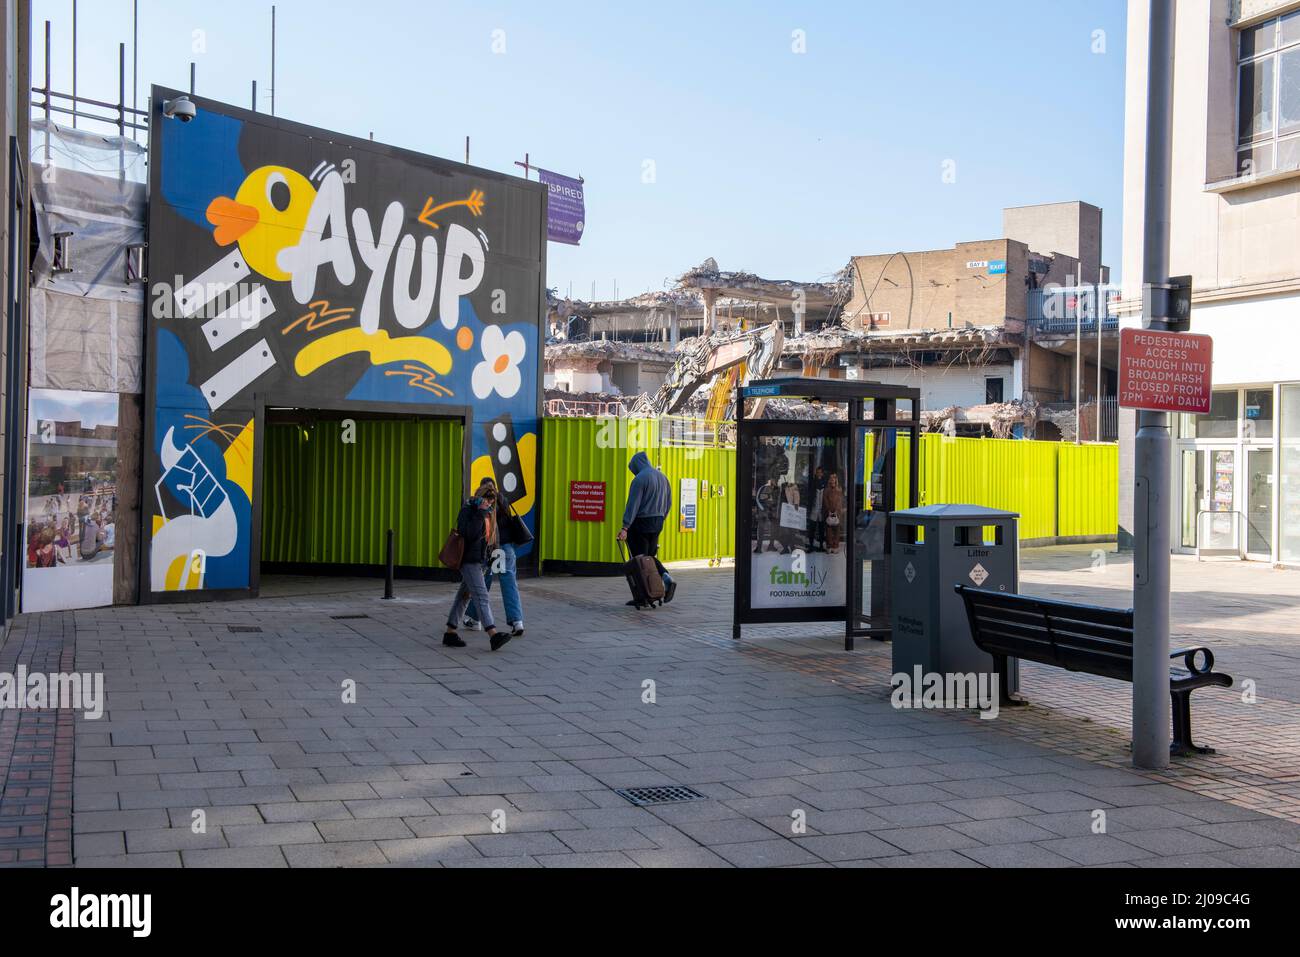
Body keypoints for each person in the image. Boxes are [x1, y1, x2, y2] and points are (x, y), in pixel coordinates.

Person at [443, 485, 512, 652]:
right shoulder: (468, 510)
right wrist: (480, 512)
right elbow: (469, 534)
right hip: (468, 560)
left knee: (463, 596)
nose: (489, 504)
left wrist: (490, 557)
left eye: (492, 501)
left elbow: (489, 537)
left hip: (479, 561)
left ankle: (450, 633)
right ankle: (493, 634)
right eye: (487, 500)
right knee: (481, 595)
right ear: (480, 497)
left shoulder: (489, 512)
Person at [463, 477, 525, 638]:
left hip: (489, 548)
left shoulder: (480, 502)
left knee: (482, 583)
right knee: (509, 581)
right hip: (506, 547)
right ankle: (517, 621)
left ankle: (474, 619)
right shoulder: (503, 500)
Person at [618, 451, 675, 605]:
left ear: (637, 465)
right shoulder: (663, 477)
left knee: (640, 561)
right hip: (658, 522)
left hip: (641, 523)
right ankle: (660, 584)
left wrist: (625, 527)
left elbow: (633, 505)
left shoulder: (640, 480)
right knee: (649, 557)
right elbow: (669, 503)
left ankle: (645, 595)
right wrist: (661, 519)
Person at [755, 474, 781, 553]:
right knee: (761, 529)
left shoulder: (775, 488)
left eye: (776, 480)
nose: (776, 481)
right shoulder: (765, 487)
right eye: (774, 480)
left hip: (771, 511)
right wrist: (763, 509)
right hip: (764, 511)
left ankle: (770, 545)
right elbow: (759, 499)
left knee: (773, 528)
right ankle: (759, 548)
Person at [822, 472, 845, 554]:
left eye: (834, 479)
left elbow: (840, 501)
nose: (832, 480)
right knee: (828, 531)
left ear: (836, 480)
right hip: (828, 512)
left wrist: (838, 510)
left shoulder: (839, 489)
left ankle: (835, 546)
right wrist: (829, 510)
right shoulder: (826, 490)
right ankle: (829, 546)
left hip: (837, 512)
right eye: (831, 479)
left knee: (837, 531)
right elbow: (825, 501)